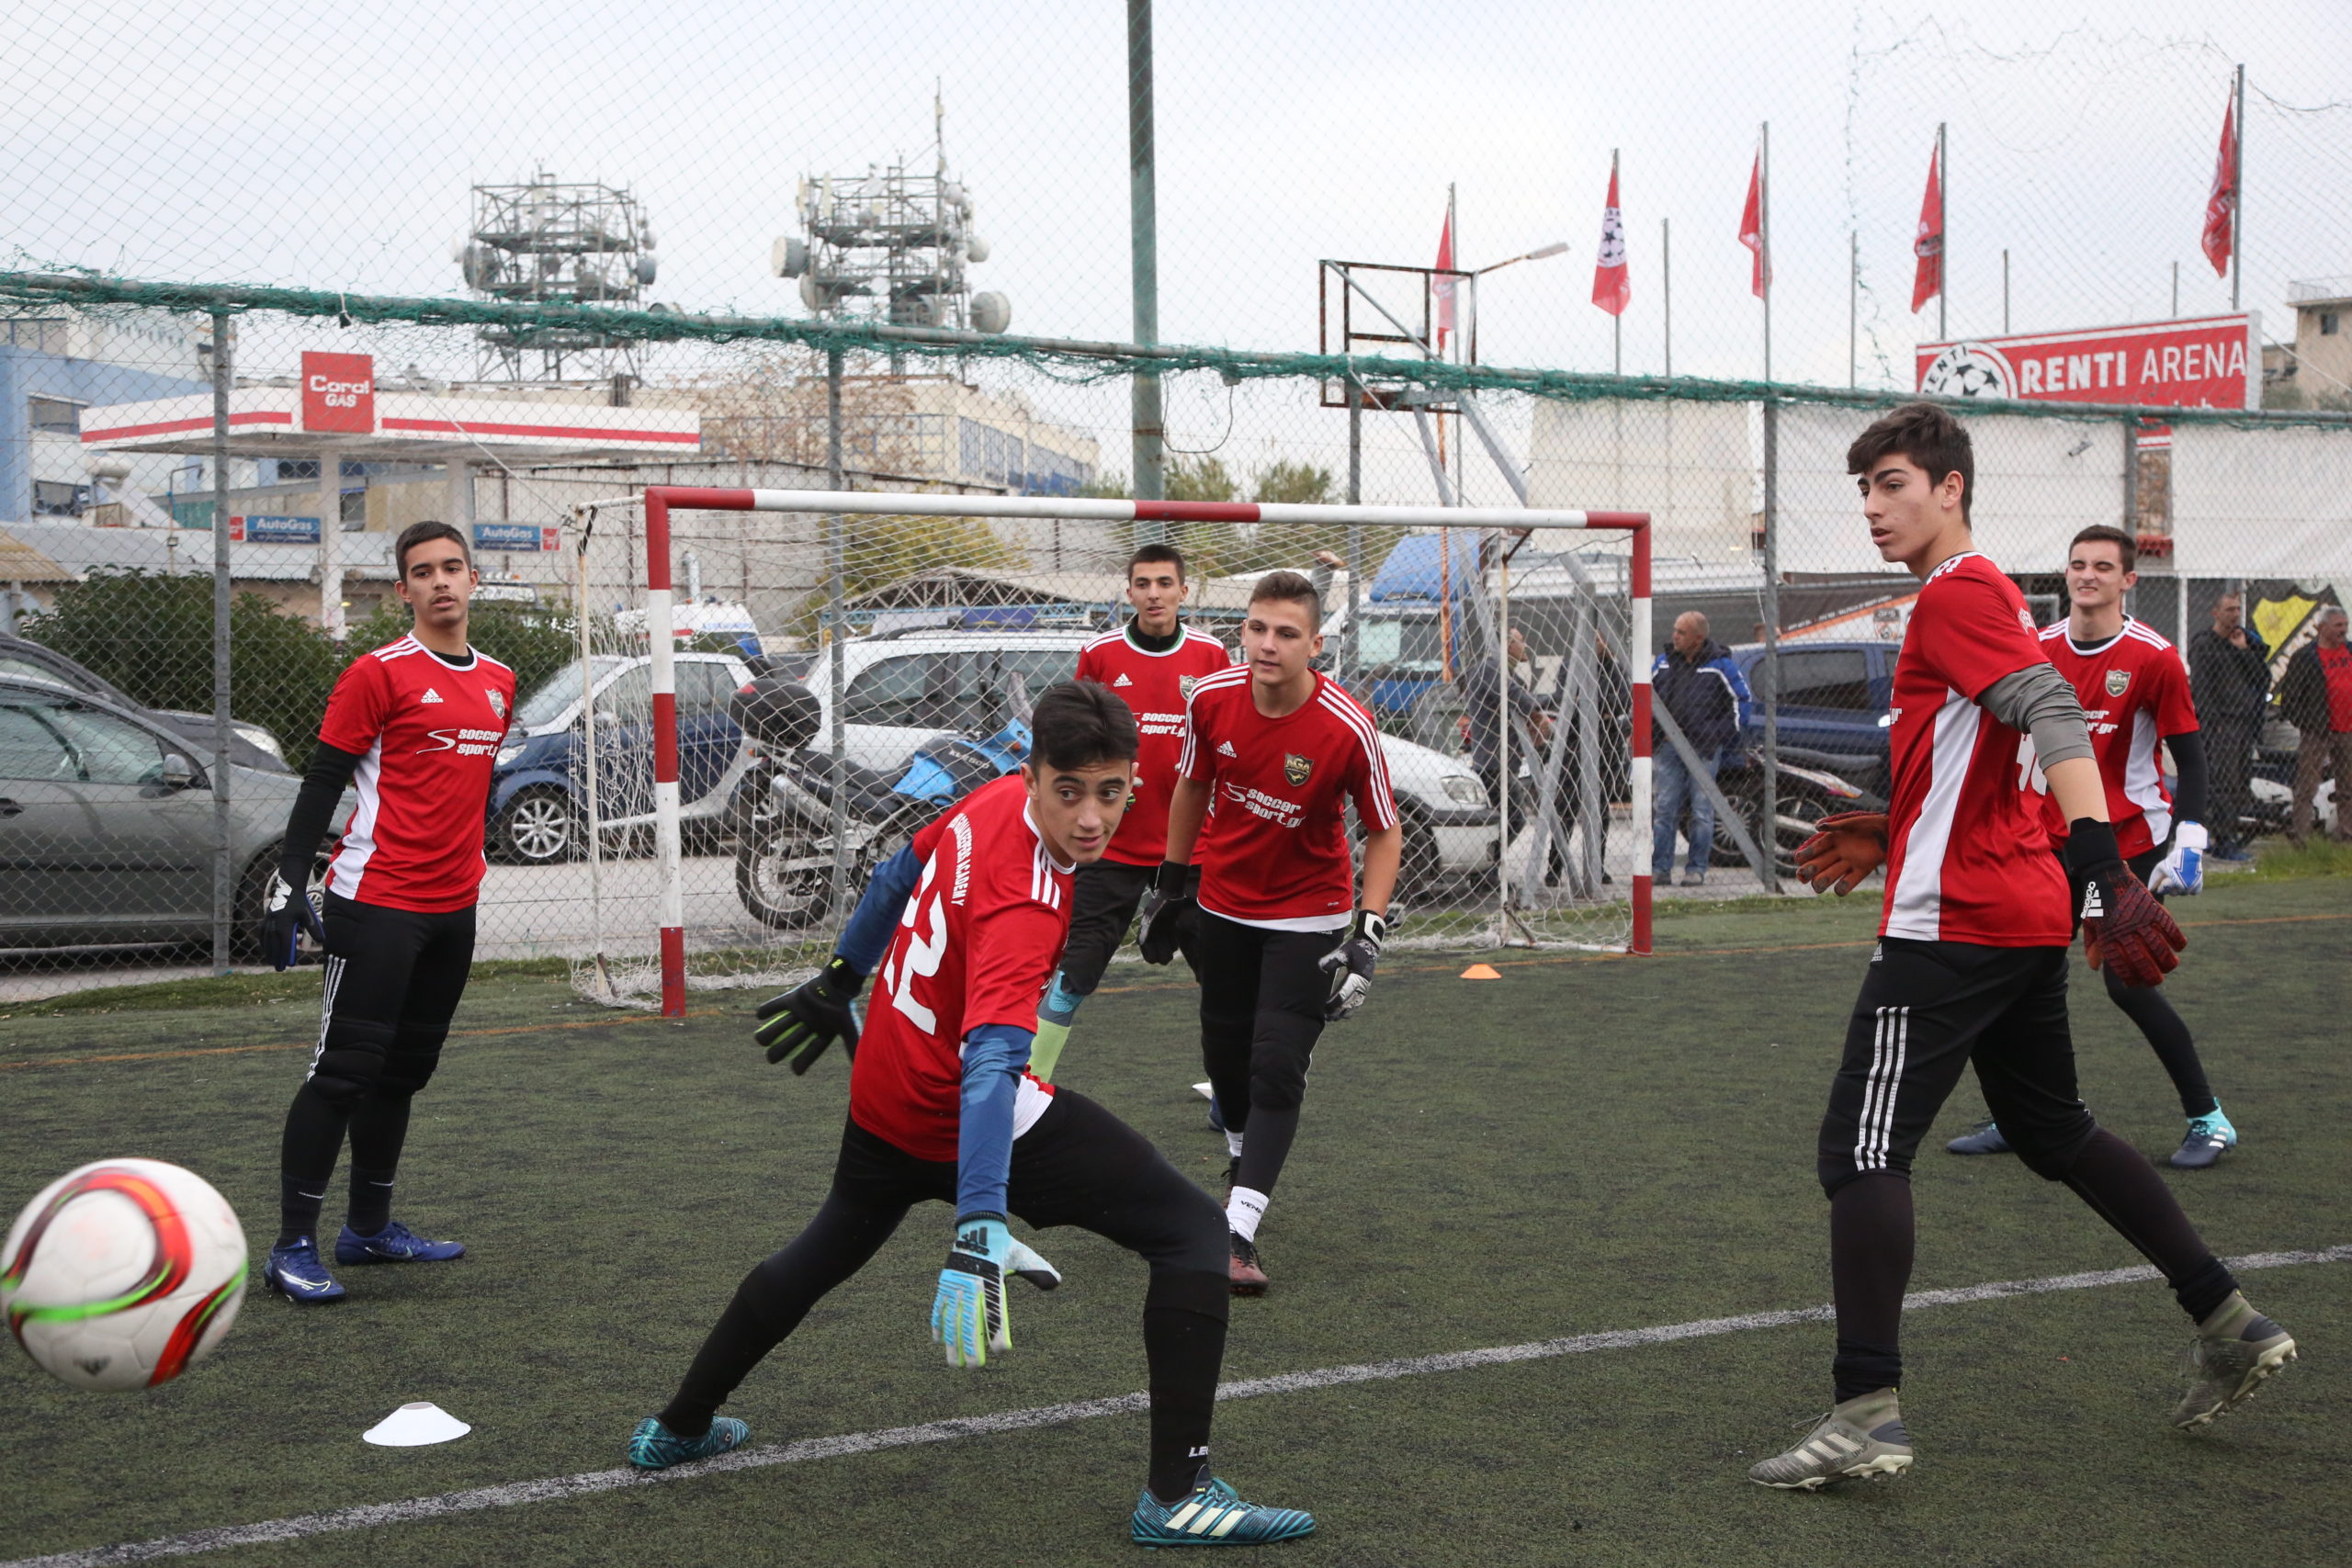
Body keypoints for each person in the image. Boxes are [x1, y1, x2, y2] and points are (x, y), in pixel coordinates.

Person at [628, 682, 1314, 1550]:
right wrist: (981, 1221)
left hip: (885, 1088)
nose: (1092, 816)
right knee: (1191, 1232)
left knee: (824, 1248)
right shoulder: (1029, 897)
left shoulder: (988, 797)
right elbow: (990, 1065)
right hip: (957, 1106)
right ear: (1035, 778)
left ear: (1132, 783)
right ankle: (1177, 1495)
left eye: (1111, 792)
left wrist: (842, 978)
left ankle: (679, 1424)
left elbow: (895, 874)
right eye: (1070, 791)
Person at [1750, 403, 2294, 1491]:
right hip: (2014, 908)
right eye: (1863, 489)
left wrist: (2106, 867)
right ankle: (2226, 1318)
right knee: (2054, 1131)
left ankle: (1865, 1412)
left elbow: (2049, 709)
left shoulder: (1956, 595)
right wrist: (1894, 824)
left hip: (1953, 921)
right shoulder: (1989, 596)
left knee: (1859, 1155)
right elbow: (1986, 764)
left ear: (1949, 488)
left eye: (1892, 484)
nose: (1873, 508)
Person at [256, 520, 517, 1303]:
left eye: (452, 567)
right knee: (343, 1072)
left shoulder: (499, 679)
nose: (440, 581)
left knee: (403, 1073)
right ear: (403, 591)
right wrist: (289, 879)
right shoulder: (377, 673)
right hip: (377, 904)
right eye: (423, 572)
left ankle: (367, 1230)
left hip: (453, 908)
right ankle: (290, 1248)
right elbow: (322, 781)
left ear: (473, 579)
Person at [1142, 570, 1399, 1295]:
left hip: (1308, 915)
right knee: (1224, 1055)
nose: (1267, 644)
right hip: (1223, 906)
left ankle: (1238, 1228)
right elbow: (1193, 785)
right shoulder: (1210, 698)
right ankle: (1239, 1158)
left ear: (1315, 644)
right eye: (1257, 628)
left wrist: (1368, 933)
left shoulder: (1347, 725)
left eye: (1287, 633)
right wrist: (1170, 885)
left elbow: (1384, 831)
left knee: (1278, 1062)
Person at [1948, 525, 2237, 1169]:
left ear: (2128, 580)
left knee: (2127, 984)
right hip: (2046, 841)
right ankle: (2024, 1116)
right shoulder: (2039, 647)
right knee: (2023, 973)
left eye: (2103, 566)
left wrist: (2189, 838)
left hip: (2124, 845)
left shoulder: (2155, 657)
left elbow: (2191, 759)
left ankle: (2209, 1118)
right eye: (2078, 564)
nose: (2087, 575)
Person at [1027, 544, 1229, 1085]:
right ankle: (1026, 1085)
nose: (1154, 594)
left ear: (1184, 591)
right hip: (1110, 846)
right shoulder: (1100, 654)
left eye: (1165, 583)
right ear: (1129, 593)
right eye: (1143, 584)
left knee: (1224, 982)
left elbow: (1227, 740)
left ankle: (1231, 1096)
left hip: (1191, 849)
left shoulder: (1211, 655)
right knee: (1073, 974)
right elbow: (1075, 741)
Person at [1649, 611, 1752, 887]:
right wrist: (1652, 732)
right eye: (1675, 630)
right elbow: (1646, 697)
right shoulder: (1663, 663)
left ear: (1698, 638)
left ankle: (1696, 869)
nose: (1674, 636)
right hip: (1668, 747)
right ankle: (1660, 868)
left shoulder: (1721, 666)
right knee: (1665, 808)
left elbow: (1742, 702)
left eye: (1681, 632)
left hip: (1703, 749)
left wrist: (1717, 735)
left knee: (1701, 810)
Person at [2186, 591, 2269, 860]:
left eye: (2237, 609)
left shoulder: (2243, 642)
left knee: (2240, 782)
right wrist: (2212, 725)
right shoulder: (2205, 644)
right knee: (2224, 781)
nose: (2235, 614)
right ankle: (2223, 840)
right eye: (2229, 609)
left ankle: (2227, 834)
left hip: (2244, 723)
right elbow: (2201, 689)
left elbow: (2262, 678)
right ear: (2216, 613)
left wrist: (2244, 651)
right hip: (2222, 724)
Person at [2278, 604, 2352, 847]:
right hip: (2318, 732)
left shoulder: (2350, 651)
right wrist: (2309, 725)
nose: (2343, 630)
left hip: (2348, 730)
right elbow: (2290, 700)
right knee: (2307, 787)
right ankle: (2302, 838)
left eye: (2345, 625)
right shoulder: (2305, 657)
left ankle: (2346, 835)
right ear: (2322, 628)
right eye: (2338, 625)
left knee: (2348, 787)